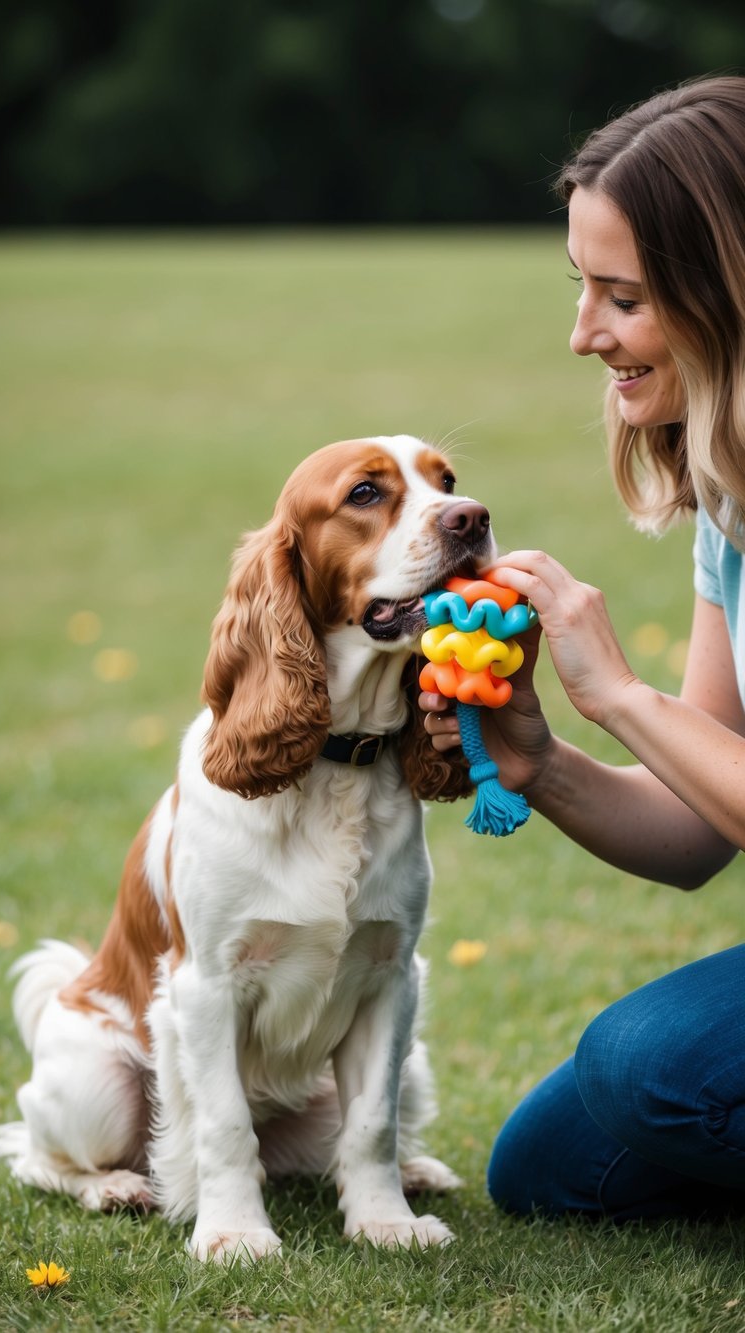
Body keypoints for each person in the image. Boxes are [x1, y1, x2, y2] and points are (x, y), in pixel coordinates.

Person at [421, 75, 745, 1221]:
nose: (583, 335)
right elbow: (706, 829)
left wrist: (618, 692)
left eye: (623, 296)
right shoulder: (728, 508)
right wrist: (540, 759)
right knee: (555, 1163)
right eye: (581, 288)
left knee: (647, 1066)